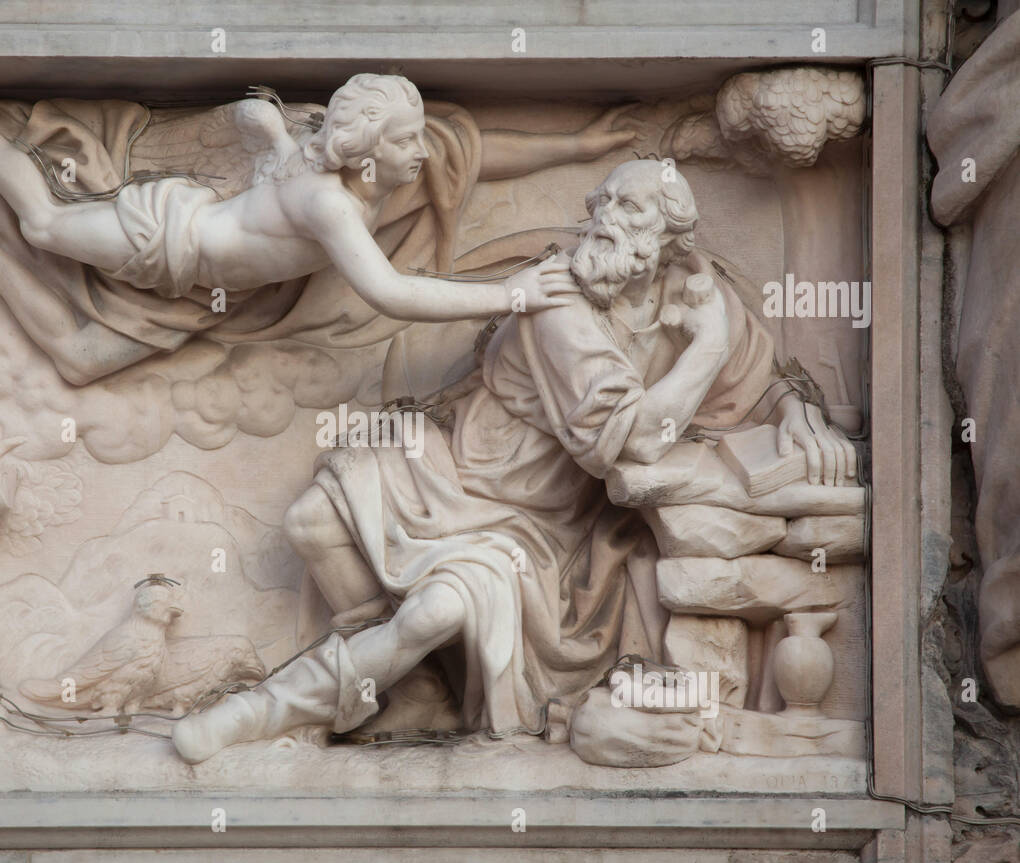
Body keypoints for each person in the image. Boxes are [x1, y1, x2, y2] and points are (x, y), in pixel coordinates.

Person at [171, 159, 857, 764]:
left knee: (437, 609)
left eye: (628, 207)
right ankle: (409, 686)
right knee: (311, 522)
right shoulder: (560, 301)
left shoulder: (701, 297)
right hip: (443, 463)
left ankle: (259, 713)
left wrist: (797, 412)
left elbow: (756, 381)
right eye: (602, 202)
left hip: (526, 521)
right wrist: (705, 350)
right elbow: (635, 438)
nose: (602, 218)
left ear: (670, 239)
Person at [0, 74, 637, 383]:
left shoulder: (356, 173)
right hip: (169, 244)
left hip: (200, 293)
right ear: (367, 148)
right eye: (407, 141)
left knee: (80, 360)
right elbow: (394, 293)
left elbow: (467, 155)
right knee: (45, 223)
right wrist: (507, 296)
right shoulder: (332, 205)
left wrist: (574, 148)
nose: (421, 150)